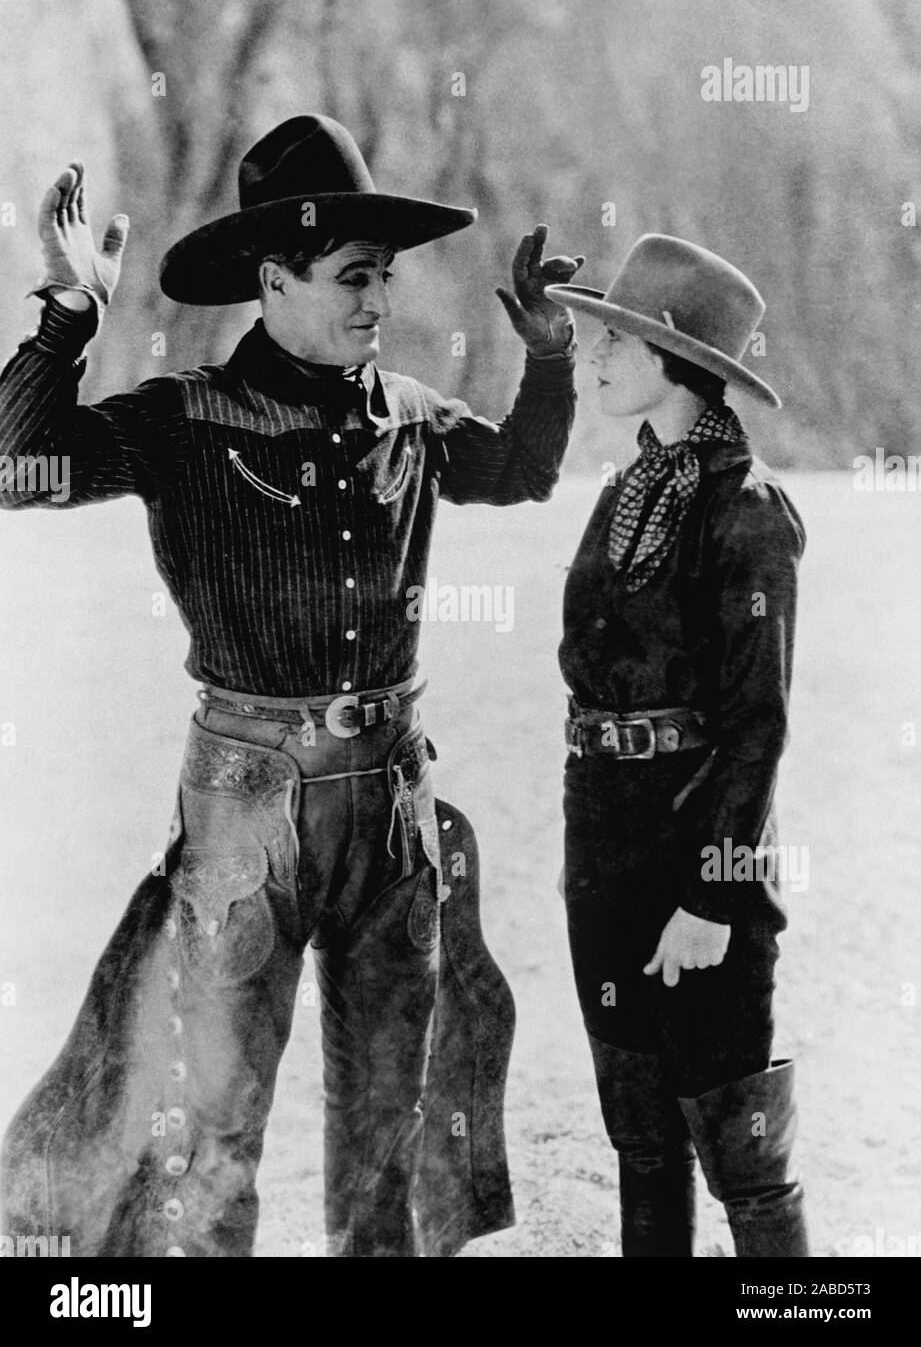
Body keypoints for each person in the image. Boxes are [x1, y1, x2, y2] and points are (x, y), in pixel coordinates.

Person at [0, 113, 582, 1257]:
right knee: (209, 1140)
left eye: (384, 279)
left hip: (393, 805)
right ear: (274, 281)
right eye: (354, 279)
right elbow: (17, 467)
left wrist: (551, 356)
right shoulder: (183, 421)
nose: (379, 303)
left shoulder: (407, 416)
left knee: (389, 1132)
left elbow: (519, 472)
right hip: (244, 805)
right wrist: (70, 318)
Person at [545, 234, 809, 1257]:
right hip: (603, 840)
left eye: (614, 341)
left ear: (673, 356)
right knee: (641, 1136)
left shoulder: (749, 515)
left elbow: (757, 724)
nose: (594, 356)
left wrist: (712, 891)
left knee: (741, 1147)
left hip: (700, 849)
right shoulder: (624, 494)